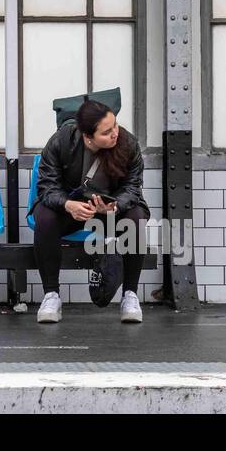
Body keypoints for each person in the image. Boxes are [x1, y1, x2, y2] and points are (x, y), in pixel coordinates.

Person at [29, 98, 149, 325]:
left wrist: (115, 206)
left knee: (136, 217)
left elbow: (133, 188)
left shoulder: (128, 143)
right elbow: (46, 188)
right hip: (73, 210)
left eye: (114, 125)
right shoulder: (61, 142)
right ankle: (51, 296)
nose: (115, 133)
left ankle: (130, 296)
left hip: (110, 211)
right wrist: (67, 204)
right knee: (44, 216)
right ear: (87, 137)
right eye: (106, 132)